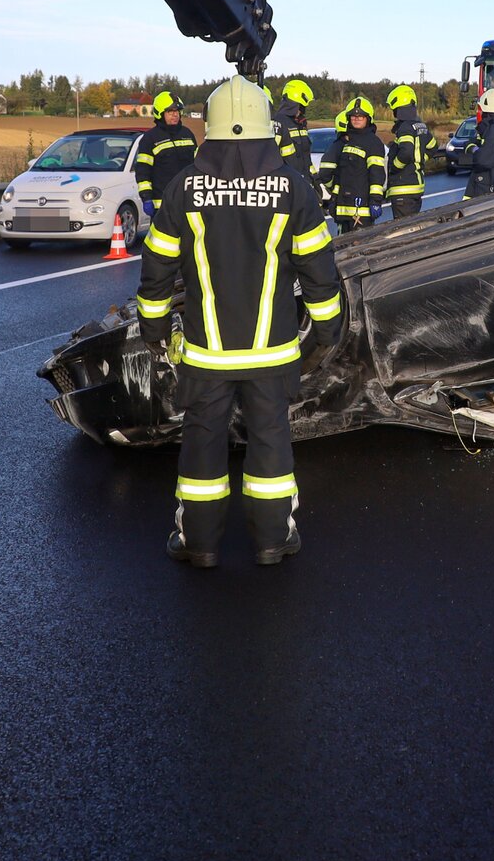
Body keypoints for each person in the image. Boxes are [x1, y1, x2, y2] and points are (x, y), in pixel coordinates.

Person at [136, 77, 342, 568]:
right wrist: (329, 330)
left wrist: (154, 328)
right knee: (270, 441)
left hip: (207, 354)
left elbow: (158, 266)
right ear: (264, 123)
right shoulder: (292, 186)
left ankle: (199, 544)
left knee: (203, 442)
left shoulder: (183, 186)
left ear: (208, 128)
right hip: (272, 352)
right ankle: (273, 540)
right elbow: (319, 268)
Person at [316, 96, 386, 229]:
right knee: (342, 248)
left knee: (360, 248)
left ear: (368, 118)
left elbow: (376, 174)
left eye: (361, 116)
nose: (356, 118)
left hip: (362, 211)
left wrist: (376, 201)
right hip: (342, 209)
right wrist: (335, 194)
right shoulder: (345, 141)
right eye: (353, 116)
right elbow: (336, 174)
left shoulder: (373, 142)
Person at [133, 90, 197, 213]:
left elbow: (199, 165)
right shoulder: (150, 138)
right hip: (161, 206)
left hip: (188, 203)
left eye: (177, 111)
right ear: (160, 114)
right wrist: (146, 198)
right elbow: (143, 171)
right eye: (170, 111)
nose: (175, 115)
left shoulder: (187, 134)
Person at [383, 84, 435, 220]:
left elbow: (406, 152)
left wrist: (395, 166)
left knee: (403, 230)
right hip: (416, 186)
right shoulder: (420, 126)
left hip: (403, 187)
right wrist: (420, 159)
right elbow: (433, 146)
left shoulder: (404, 128)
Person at [273, 78, 315, 168]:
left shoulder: (301, 124)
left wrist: (315, 179)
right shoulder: (278, 123)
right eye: (301, 106)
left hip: (303, 180)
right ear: (294, 104)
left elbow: (307, 160)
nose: (302, 110)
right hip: (288, 180)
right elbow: (271, 156)